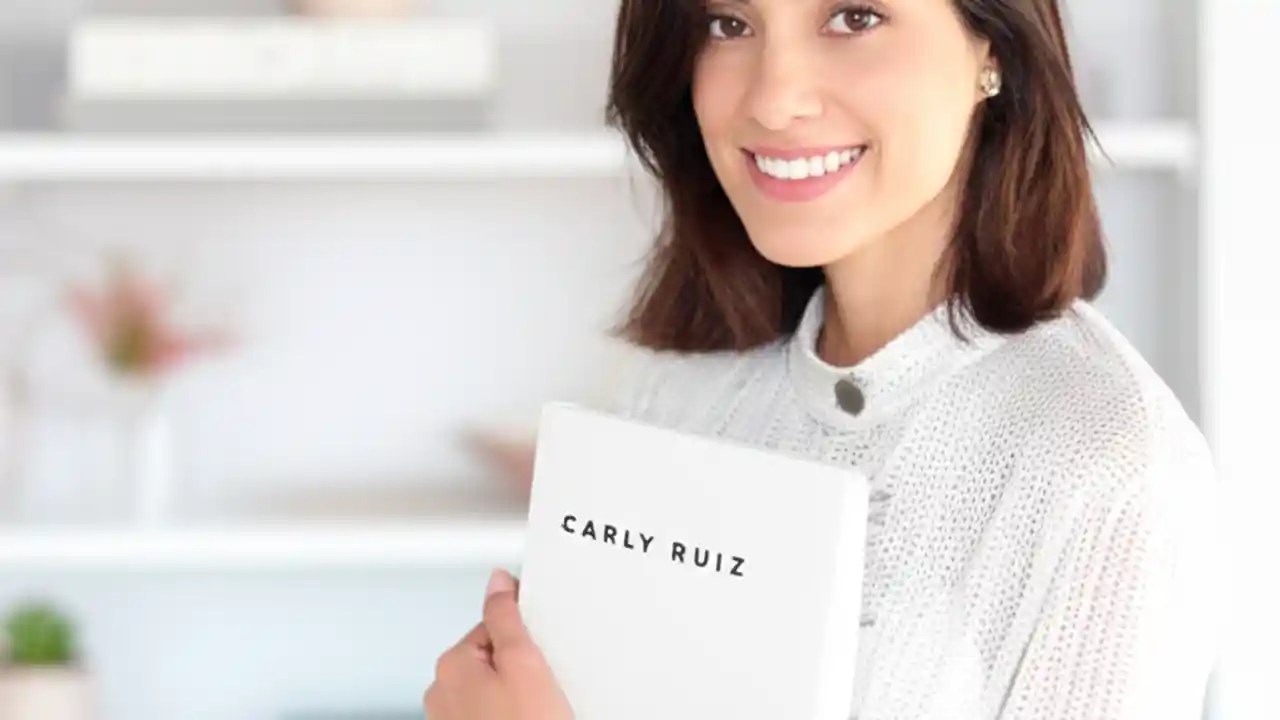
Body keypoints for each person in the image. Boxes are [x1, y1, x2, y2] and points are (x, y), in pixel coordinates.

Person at [424, 0, 1223, 717]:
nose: (773, 98)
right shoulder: (677, 392)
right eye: (729, 24)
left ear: (995, 49)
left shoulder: (1109, 462)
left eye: (854, 17)